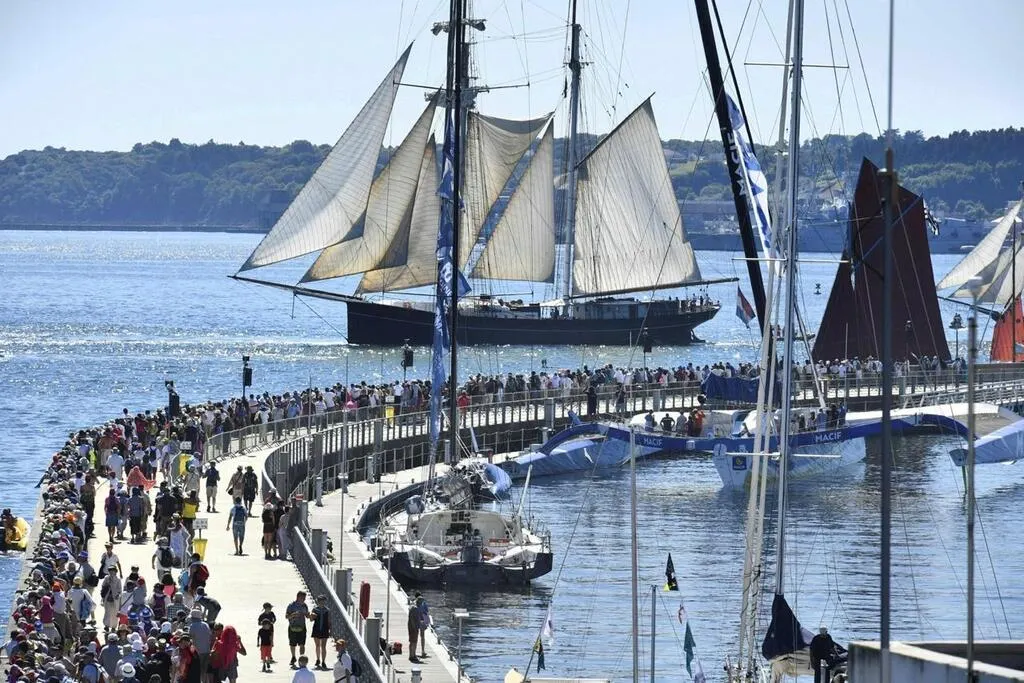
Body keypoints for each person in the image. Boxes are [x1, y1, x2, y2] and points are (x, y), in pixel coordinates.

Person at [285, 591, 310, 669]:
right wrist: (293, 615)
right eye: (303, 598)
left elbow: (307, 615)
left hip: (302, 627)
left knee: (302, 644)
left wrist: (309, 615)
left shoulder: (304, 606)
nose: (304, 599)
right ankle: (293, 657)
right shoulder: (291, 605)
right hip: (293, 626)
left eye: (304, 598)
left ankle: (301, 659)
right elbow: (286, 616)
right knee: (292, 644)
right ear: (298, 597)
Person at [310, 594, 331, 670]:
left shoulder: (327, 610)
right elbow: (311, 620)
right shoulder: (315, 610)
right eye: (320, 601)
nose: (322, 602)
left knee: (323, 646)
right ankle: (318, 659)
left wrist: (330, 630)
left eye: (323, 601)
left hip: (324, 629)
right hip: (316, 629)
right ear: (318, 602)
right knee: (317, 645)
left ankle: (323, 661)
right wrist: (312, 615)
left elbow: (329, 621)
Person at [414, 592, 430, 659]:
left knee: (415, 636)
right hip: (423, 621)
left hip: (416, 621)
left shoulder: (414, 603)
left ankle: (414, 652)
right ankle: (423, 651)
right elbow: (427, 611)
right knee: (422, 636)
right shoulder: (424, 603)